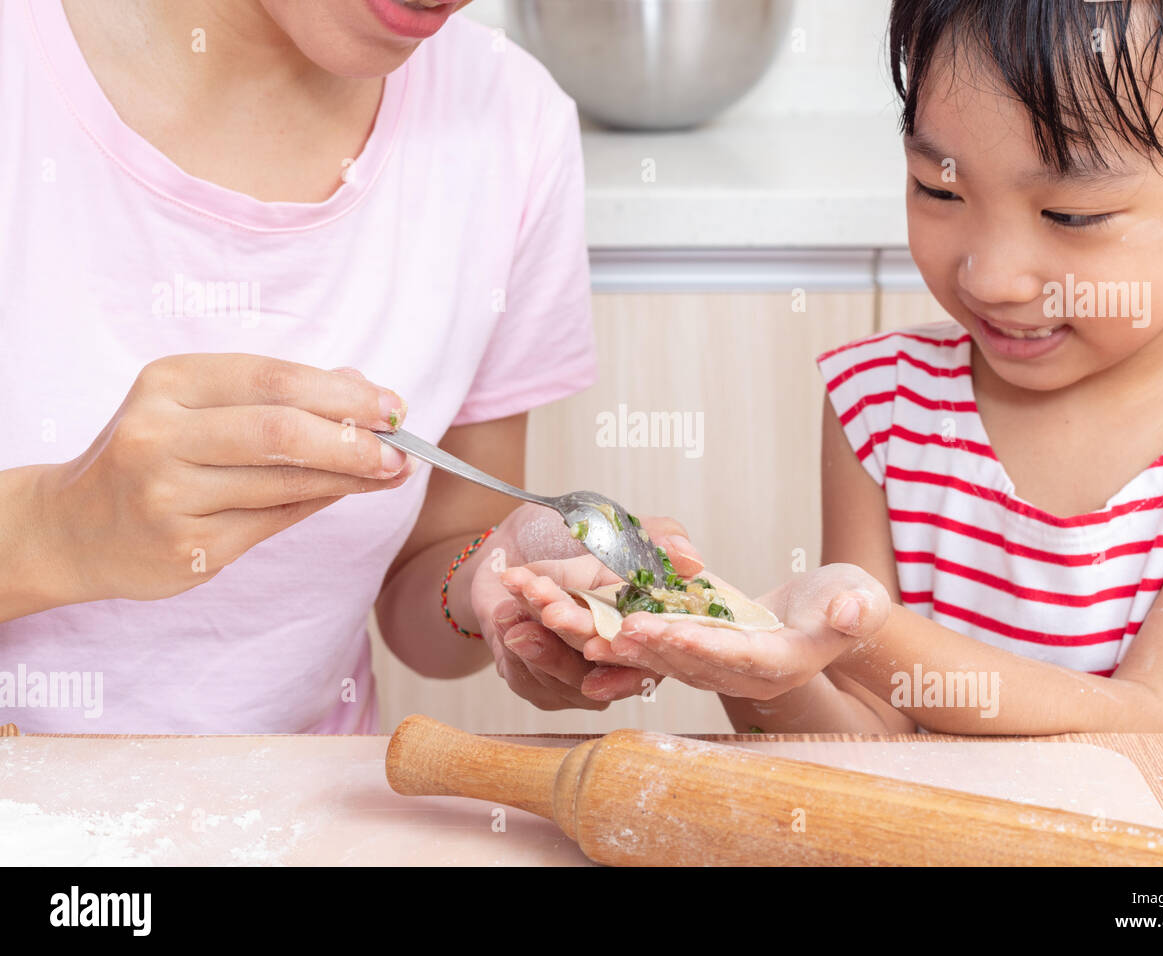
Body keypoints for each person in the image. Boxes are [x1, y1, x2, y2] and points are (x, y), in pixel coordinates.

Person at [499, 0, 1163, 734]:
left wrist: (857, 625)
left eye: (1071, 214)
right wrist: (734, 646)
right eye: (939, 189)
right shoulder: (886, 405)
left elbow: (1162, 726)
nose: (991, 277)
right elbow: (869, 744)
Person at [0, 0, 698, 732]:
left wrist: (501, 586)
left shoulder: (508, 118)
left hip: (309, 823)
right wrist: (58, 531)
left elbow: (422, 581)